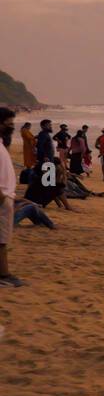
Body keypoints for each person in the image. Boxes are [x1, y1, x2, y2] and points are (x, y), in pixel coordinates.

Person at [0, 107, 21, 287]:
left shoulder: (2, 143)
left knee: (3, 239)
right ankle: (4, 275)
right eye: (9, 124)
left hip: (7, 196)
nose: (11, 127)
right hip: (2, 197)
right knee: (2, 239)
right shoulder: (48, 140)